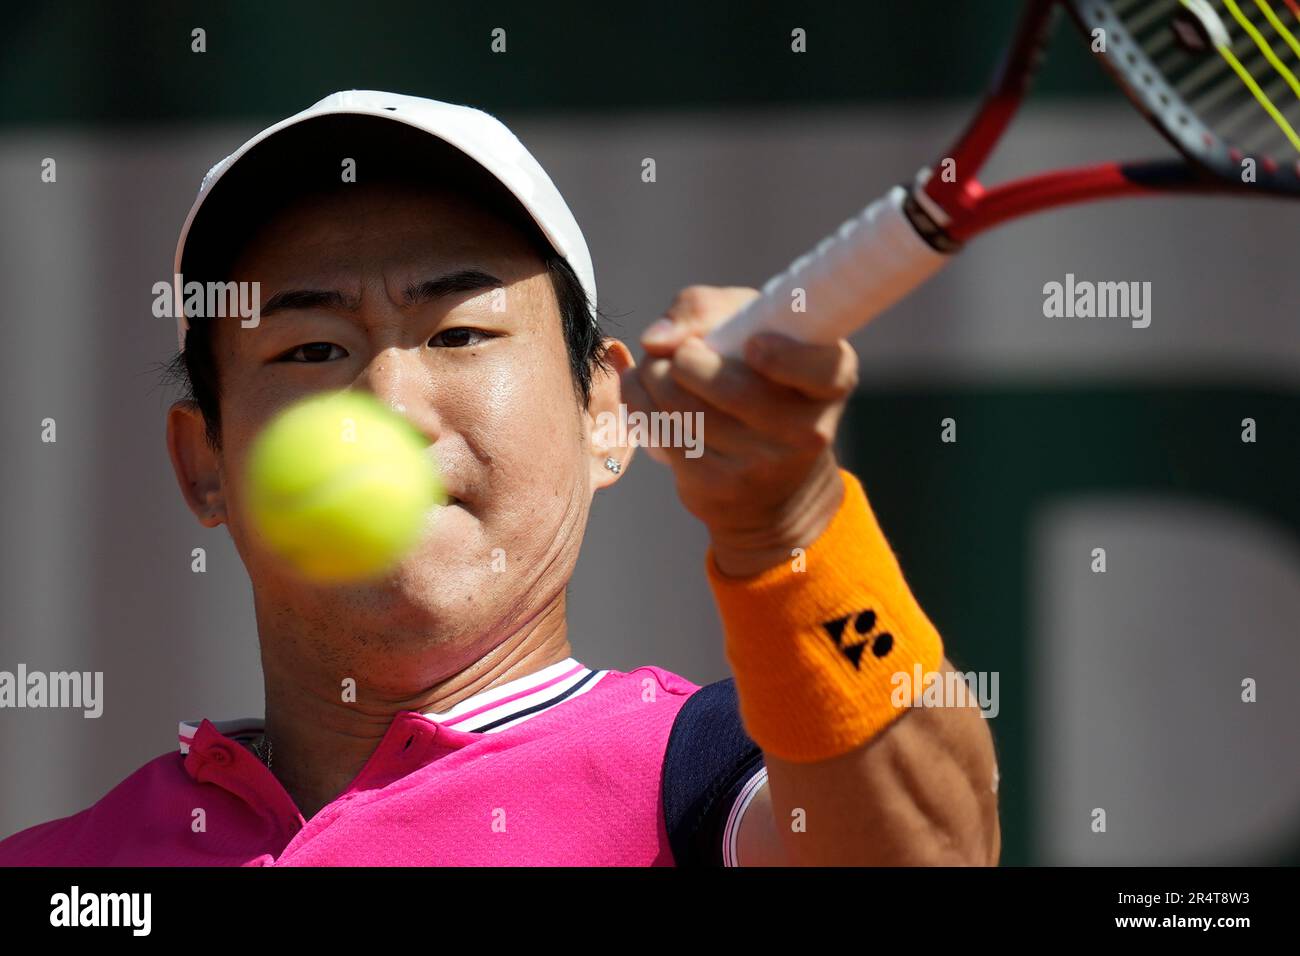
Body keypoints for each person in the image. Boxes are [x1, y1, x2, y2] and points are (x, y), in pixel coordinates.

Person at [0, 91, 998, 866]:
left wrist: (790, 522)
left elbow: (935, 850)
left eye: (460, 331)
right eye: (309, 347)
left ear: (603, 412)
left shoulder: (711, 778)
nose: (388, 399)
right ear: (203, 463)